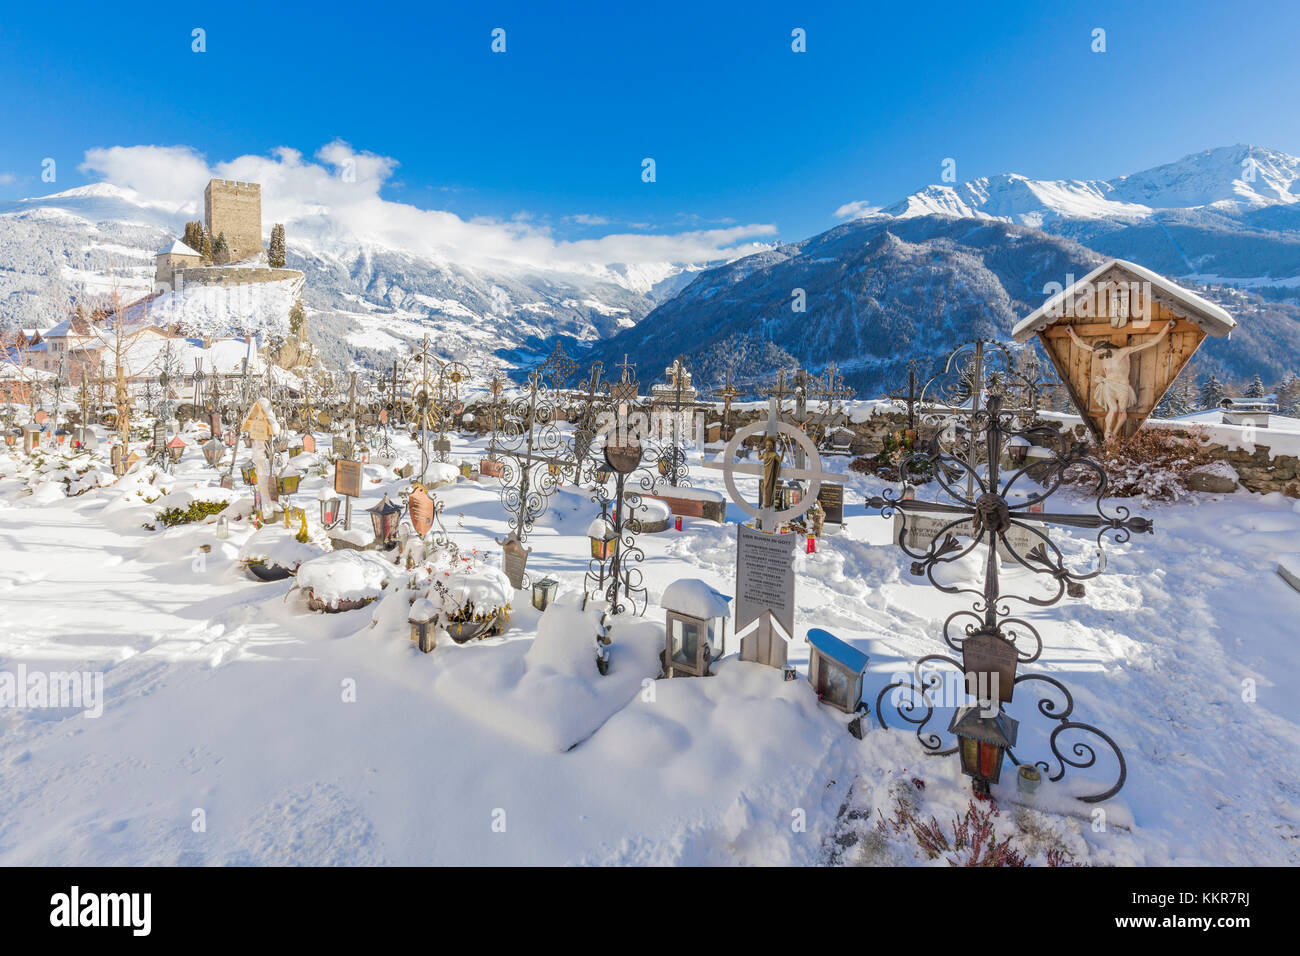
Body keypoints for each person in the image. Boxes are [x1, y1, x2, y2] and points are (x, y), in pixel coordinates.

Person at [1066, 319, 1175, 442]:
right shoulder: (1101, 354)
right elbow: (1081, 344)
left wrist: (1166, 329)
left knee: (1122, 410)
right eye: (1098, 352)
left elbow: (1150, 343)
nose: (1099, 354)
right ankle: (1107, 432)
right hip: (1108, 385)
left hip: (1123, 386)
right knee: (1113, 408)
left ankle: (1115, 432)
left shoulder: (1123, 352)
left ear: (1107, 347)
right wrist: (1071, 333)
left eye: (1101, 351)